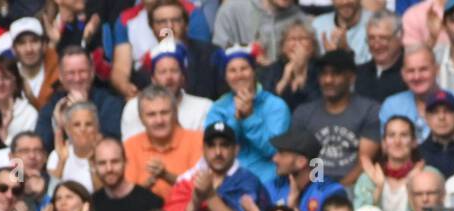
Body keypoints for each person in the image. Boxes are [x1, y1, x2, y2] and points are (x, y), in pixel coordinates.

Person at [291, 48, 381, 187]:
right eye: (323, 74)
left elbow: (364, 162)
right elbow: (300, 161)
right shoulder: (304, 113)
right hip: (315, 187)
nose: (328, 80)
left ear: (351, 78)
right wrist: (319, 191)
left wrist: (337, 190)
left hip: (355, 187)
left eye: (336, 74)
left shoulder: (369, 110)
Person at [205, 44, 291, 186]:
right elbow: (215, 151)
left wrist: (250, 117)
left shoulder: (276, 105)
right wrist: (236, 119)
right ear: (225, 77)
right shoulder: (218, 108)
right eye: (232, 71)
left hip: (269, 181)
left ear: (254, 72)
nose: (239, 75)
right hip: (228, 183)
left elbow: (276, 150)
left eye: (244, 69)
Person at [120, 37, 215, 139]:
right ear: (153, 78)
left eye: (174, 71)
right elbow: (130, 148)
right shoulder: (134, 107)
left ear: (183, 76)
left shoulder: (204, 108)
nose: (169, 77)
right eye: (162, 72)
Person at [265, 128, 347, 211]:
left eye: (281, 154)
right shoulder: (272, 186)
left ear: (301, 162)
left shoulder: (330, 192)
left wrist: (294, 210)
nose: (274, 159)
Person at [35, 47, 125, 150]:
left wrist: (84, 110)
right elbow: (41, 148)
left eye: (82, 71)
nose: (77, 78)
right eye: (71, 73)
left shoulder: (110, 103)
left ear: (92, 72)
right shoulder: (52, 105)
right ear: (60, 75)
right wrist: (59, 126)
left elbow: (111, 145)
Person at [124, 86, 205, 201]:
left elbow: (203, 191)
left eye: (164, 112)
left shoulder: (198, 140)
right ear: (141, 118)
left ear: (175, 113)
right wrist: (147, 185)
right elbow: (126, 199)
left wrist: (166, 176)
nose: (159, 120)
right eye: (151, 114)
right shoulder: (129, 147)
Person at [378, 44, 454, 143]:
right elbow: (387, 148)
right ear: (403, 74)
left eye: (423, 69)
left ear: (437, 69)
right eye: (410, 71)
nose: (417, 77)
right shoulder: (392, 106)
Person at [354, 114, 423, 211]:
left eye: (404, 135)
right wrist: (379, 189)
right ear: (384, 144)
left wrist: (412, 186)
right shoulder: (367, 179)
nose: (397, 141)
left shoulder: (426, 176)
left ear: (414, 142)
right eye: (391, 135)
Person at [260, 20, 322, 113]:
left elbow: (319, 104)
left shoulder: (321, 69)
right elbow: (265, 106)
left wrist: (301, 75)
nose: (297, 44)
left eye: (302, 38)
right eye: (292, 39)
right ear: (283, 47)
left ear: (313, 46)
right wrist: (284, 81)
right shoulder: (272, 70)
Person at [47, 101, 101, 193]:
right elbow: (51, 195)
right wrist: (62, 162)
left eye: (88, 124)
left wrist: (92, 163)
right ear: (68, 129)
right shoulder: (56, 156)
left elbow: (104, 196)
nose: (83, 129)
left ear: (97, 128)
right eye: (77, 125)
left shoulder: (106, 155)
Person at [356, 12, 408, 102]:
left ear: (400, 37)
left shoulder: (412, 74)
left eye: (383, 38)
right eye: (371, 38)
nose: (376, 45)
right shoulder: (357, 74)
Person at [420, 90, 454, 179]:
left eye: (448, 111)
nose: (441, 117)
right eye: (435, 112)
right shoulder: (418, 154)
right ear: (426, 118)